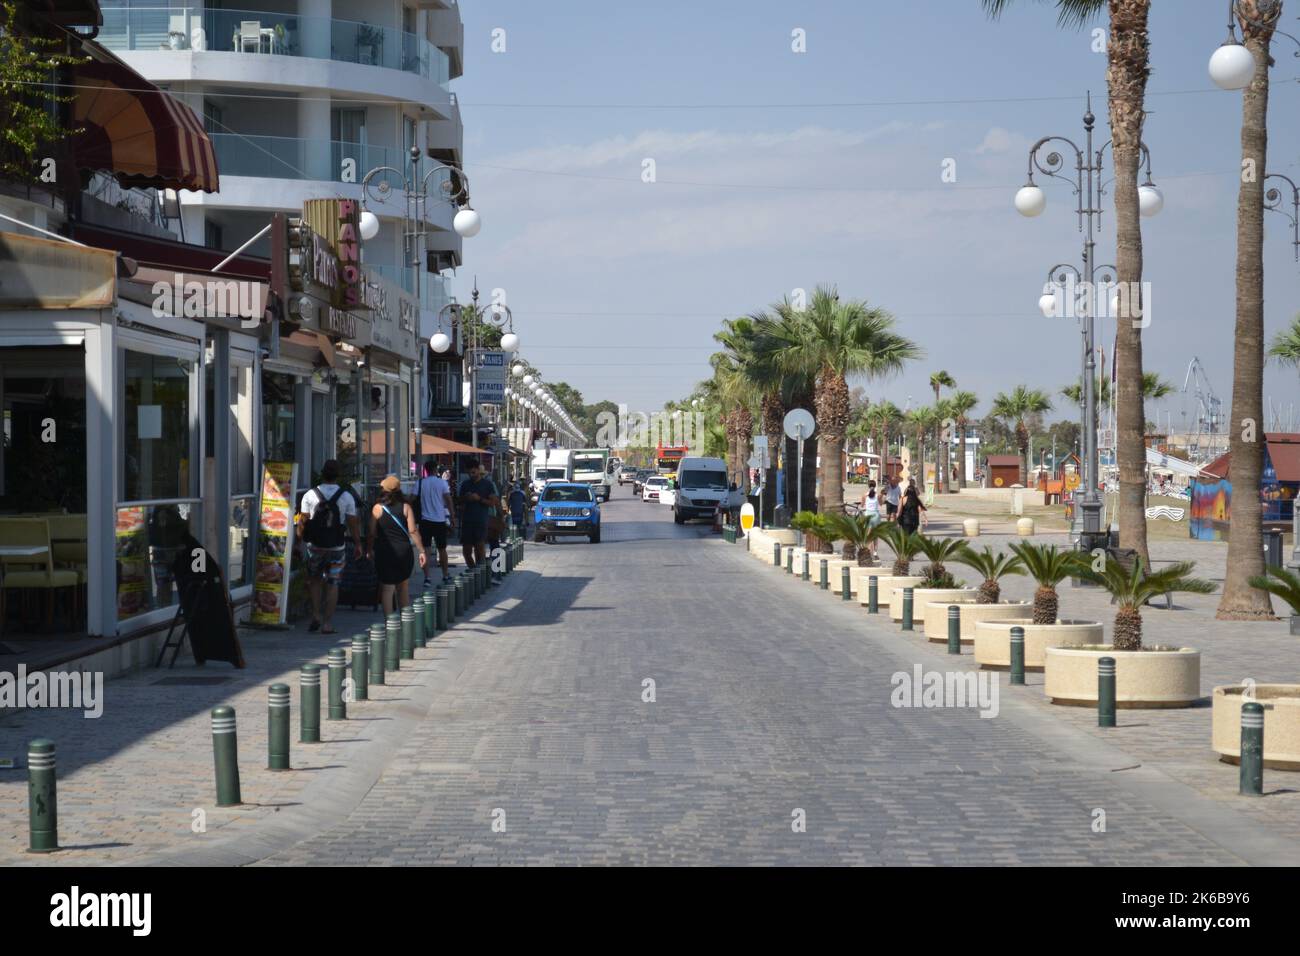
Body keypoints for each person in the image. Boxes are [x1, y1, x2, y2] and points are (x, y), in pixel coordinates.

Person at [299, 459, 362, 634]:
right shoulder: (346, 496)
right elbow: (353, 523)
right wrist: (358, 544)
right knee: (333, 583)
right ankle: (327, 623)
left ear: (322, 473)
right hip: (337, 546)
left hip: (315, 546)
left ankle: (316, 615)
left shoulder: (310, 495)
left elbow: (302, 521)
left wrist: (299, 541)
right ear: (338, 475)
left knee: (315, 580)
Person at [367, 474, 427, 615]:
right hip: (403, 551)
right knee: (403, 586)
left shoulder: (377, 508)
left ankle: (389, 624)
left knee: (387, 588)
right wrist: (421, 550)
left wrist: (369, 549)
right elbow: (413, 530)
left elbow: (371, 532)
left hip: (384, 551)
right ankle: (405, 620)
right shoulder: (406, 507)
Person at [416, 458, 455, 586]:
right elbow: (449, 500)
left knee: (425, 550)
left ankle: (427, 578)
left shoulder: (420, 483)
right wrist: (452, 517)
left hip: (425, 521)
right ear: (436, 470)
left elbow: (410, 498)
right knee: (442, 549)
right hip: (439, 520)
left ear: (425, 470)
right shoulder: (442, 483)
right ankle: (445, 575)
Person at [457, 460, 498, 569]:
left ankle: (481, 572)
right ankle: (473, 571)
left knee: (479, 548)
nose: (471, 475)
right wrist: (466, 498)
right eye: (469, 473)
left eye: (473, 472)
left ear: (478, 471)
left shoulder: (487, 484)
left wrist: (479, 499)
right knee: (466, 550)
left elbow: (493, 503)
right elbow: (459, 501)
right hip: (467, 520)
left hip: (481, 520)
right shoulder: (465, 484)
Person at [861, 480, 882, 562]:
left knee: (868, 535)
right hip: (876, 516)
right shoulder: (878, 495)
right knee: (876, 535)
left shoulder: (864, 495)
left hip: (868, 516)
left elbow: (862, 505)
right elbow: (880, 504)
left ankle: (870, 551)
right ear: (875, 485)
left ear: (868, 486)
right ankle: (875, 553)